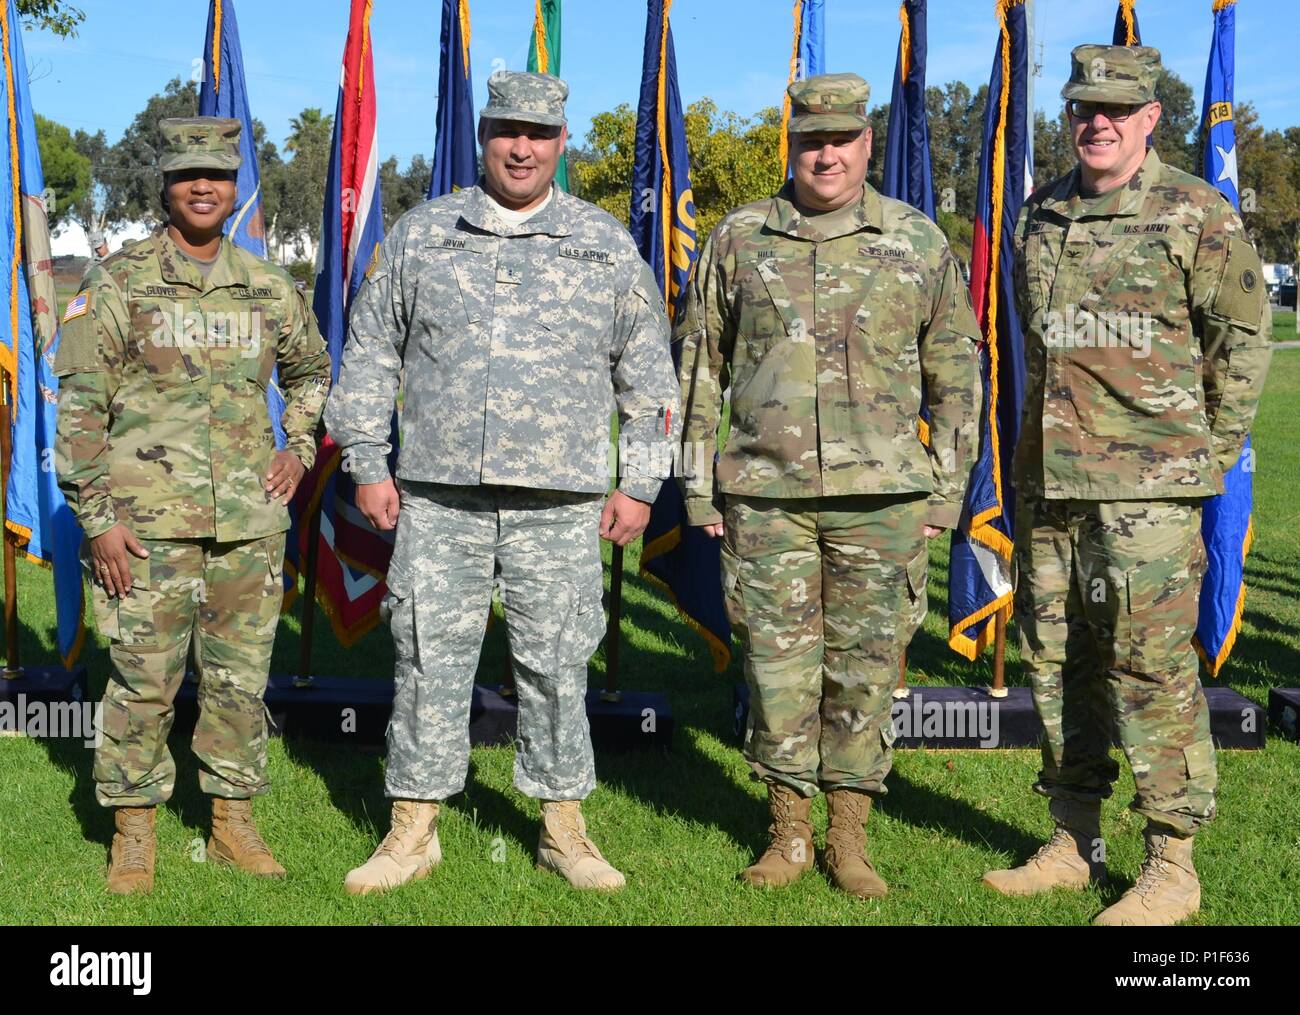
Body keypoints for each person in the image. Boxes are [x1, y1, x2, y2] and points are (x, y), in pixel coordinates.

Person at [326, 71, 679, 896]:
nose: (522, 147)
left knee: (558, 664)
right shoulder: (423, 234)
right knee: (425, 656)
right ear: (483, 136)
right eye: (506, 130)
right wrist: (367, 462)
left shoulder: (600, 244)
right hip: (440, 497)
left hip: (560, 503)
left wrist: (641, 484)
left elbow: (652, 381)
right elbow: (372, 354)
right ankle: (413, 829)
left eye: (540, 133)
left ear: (562, 142)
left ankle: (564, 827)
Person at [982, 45, 1271, 926]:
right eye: (1081, 108)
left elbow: (1244, 343)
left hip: (1150, 495)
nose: (1096, 122)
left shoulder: (1196, 213)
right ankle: (1075, 839)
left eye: (1115, 109)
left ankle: (1171, 863)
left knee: (1149, 670)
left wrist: (1199, 456)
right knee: (1059, 662)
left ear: (1151, 117)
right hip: (1052, 489)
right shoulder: (1040, 215)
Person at [677, 73, 981, 898]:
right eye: (813, 139)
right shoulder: (737, 238)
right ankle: (787, 832)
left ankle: (849, 833)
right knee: (777, 672)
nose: (827, 154)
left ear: (866, 143)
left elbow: (958, 372)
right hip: (765, 496)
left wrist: (946, 494)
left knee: (866, 670)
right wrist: (699, 491)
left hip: (884, 499)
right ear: (793, 144)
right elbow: (700, 368)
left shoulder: (916, 242)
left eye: (842, 138)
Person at [54, 116, 331, 894]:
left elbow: (314, 370)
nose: (201, 186)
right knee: (143, 683)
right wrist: (100, 520)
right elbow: (79, 410)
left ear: (235, 185)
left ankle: (233, 821)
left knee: (240, 681)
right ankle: (133, 831)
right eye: (185, 174)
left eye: (215, 173)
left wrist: (298, 446)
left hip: (247, 527)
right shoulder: (119, 282)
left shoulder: (267, 284)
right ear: (165, 186)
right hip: (145, 531)